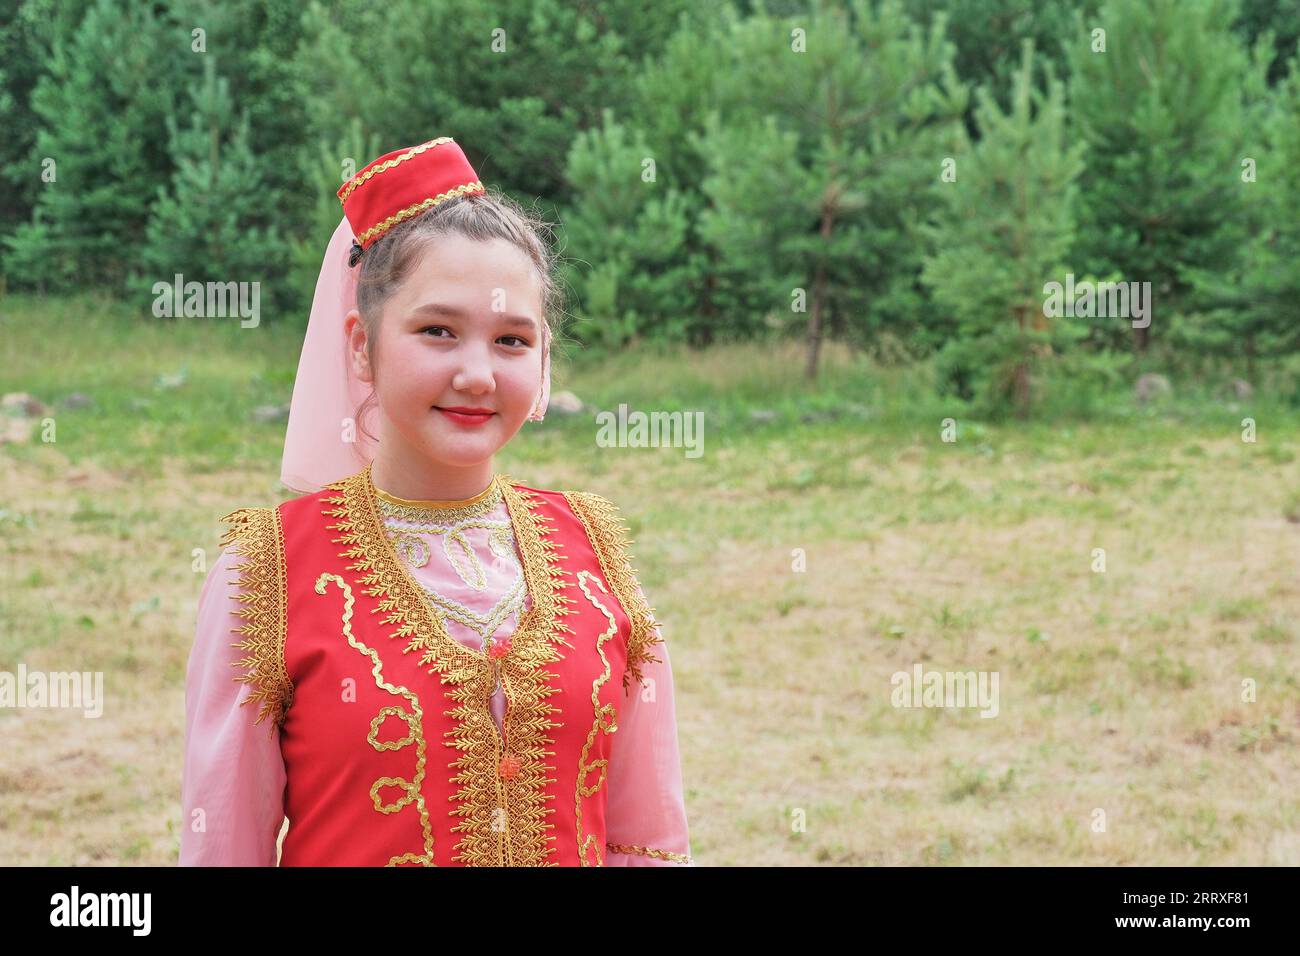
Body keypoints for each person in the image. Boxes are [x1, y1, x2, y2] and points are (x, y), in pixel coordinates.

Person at [179, 137, 692, 867]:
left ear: (544, 355)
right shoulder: (267, 574)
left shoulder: (596, 552)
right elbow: (224, 849)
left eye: (512, 339)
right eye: (438, 332)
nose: (478, 374)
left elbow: (647, 838)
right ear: (362, 346)